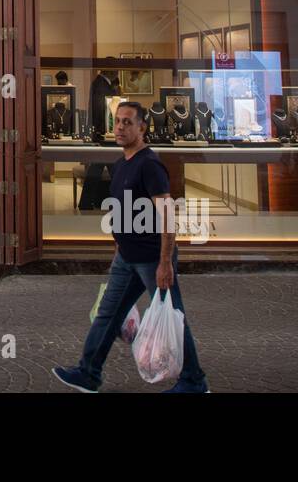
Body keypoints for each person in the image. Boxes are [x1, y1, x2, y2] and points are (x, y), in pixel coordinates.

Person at [53, 100, 209, 393]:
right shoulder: (121, 164)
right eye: (118, 122)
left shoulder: (149, 165)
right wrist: (118, 249)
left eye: (128, 122)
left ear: (142, 128)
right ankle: (88, 374)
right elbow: (124, 212)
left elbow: (167, 215)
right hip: (126, 258)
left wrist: (165, 262)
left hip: (151, 259)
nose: (121, 127)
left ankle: (194, 381)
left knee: (173, 315)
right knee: (108, 314)